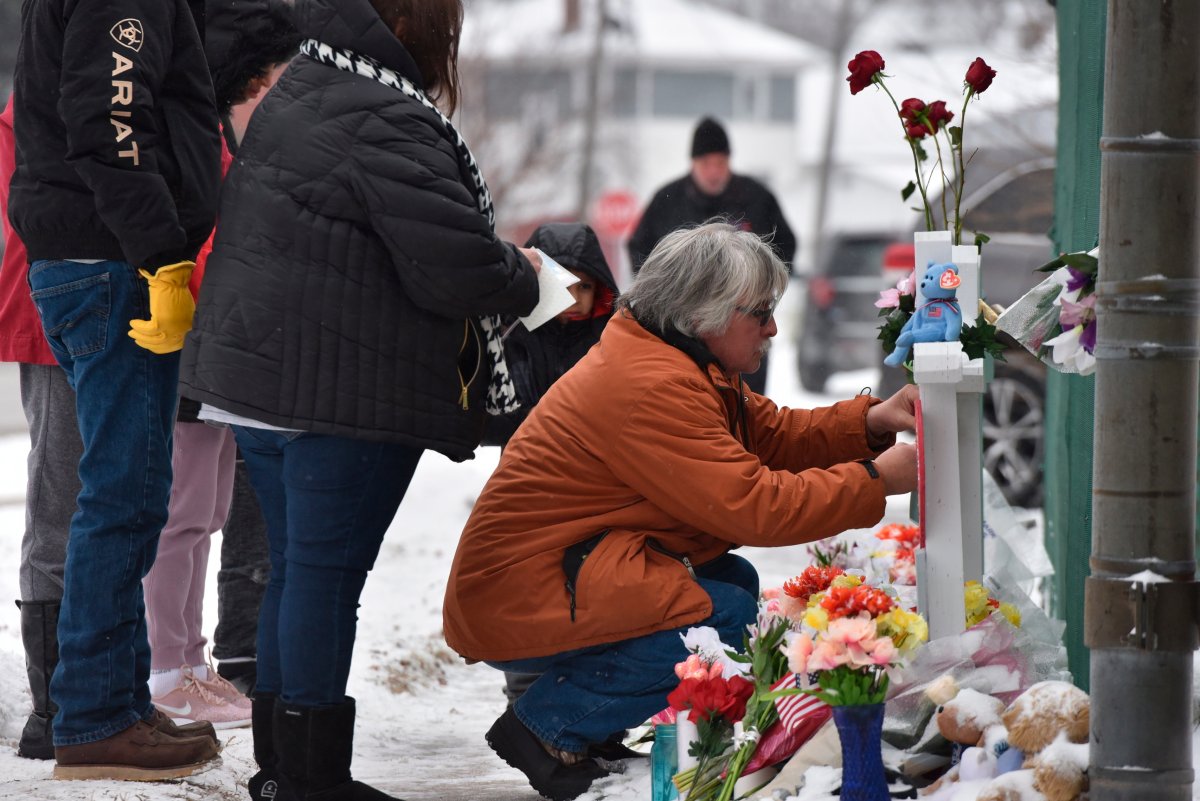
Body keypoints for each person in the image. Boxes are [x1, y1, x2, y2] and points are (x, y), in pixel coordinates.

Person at [177, 0, 540, 797]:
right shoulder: (383, 111)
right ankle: (310, 779)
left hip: (262, 385)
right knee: (322, 580)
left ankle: (283, 771)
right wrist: (531, 274)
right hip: (335, 396)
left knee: (296, 576)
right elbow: (454, 265)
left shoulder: (306, 85)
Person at [443, 222, 919, 801]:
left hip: (560, 574)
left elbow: (770, 435)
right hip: (521, 595)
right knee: (718, 617)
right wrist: (876, 481)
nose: (772, 327)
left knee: (730, 583)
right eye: (761, 312)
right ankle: (545, 730)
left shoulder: (676, 359)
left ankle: (585, 726)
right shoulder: (651, 386)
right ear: (705, 315)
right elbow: (756, 507)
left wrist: (869, 423)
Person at [7, 0, 223, 779]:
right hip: (113, 261)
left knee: (128, 488)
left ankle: (118, 703)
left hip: (93, 254)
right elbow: (112, 113)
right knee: (123, 494)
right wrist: (161, 251)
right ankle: (98, 716)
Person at [143, 0, 300, 731]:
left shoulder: (233, 139)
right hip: (189, 340)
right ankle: (166, 663)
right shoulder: (198, 134)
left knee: (206, 512)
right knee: (180, 515)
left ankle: (194, 659)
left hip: (222, 347)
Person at [0, 94, 84, 762]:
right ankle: (52, 710)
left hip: (91, 305)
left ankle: (82, 698)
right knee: (61, 502)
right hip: (57, 314)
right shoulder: (43, 92)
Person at [627, 116, 797, 395]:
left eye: (721, 163)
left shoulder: (757, 198)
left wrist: (762, 293)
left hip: (745, 324)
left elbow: (785, 247)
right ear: (693, 164)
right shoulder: (666, 200)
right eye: (706, 164)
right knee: (688, 399)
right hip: (684, 329)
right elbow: (641, 252)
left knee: (747, 406)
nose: (714, 172)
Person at [485, 222, 618, 448]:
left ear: (599, 289)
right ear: (538, 283)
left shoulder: (610, 341)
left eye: (584, 286)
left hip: (593, 461)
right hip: (525, 460)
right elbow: (490, 419)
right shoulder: (514, 338)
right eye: (563, 286)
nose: (574, 297)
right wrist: (530, 419)